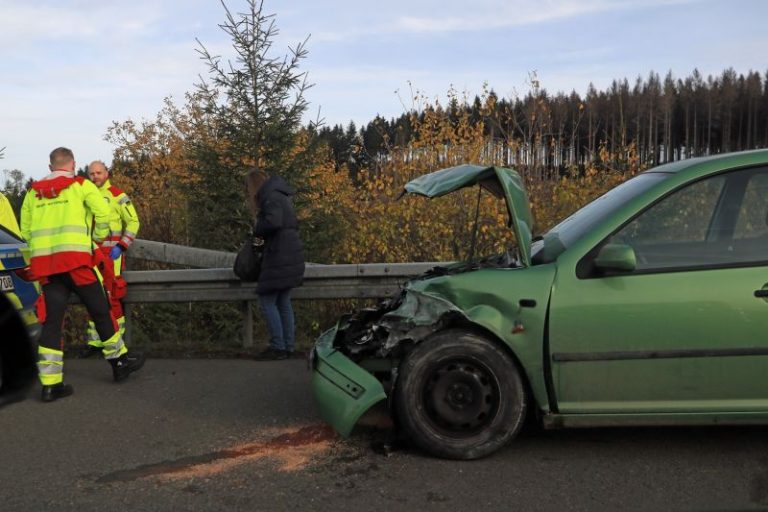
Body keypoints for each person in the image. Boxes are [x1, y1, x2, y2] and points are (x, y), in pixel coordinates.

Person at [20, 147, 145, 402]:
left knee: (52, 322)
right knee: (100, 310)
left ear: (50, 166)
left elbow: (26, 231)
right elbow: (103, 214)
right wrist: (96, 239)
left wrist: (42, 254)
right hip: (78, 263)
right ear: (73, 164)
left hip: (48, 268)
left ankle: (51, 384)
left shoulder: (33, 193)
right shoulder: (80, 186)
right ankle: (119, 363)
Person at [245, 168, 305, 360]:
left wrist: (257, 229)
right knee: (283, 301)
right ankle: (288, 346)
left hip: (279, 255)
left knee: (267, 300)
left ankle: (278, 346)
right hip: (291, 254)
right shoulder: (281, 195)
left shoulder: (269, 197)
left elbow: (273, 222)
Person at [83, 160, 140, 351]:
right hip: (90, 254)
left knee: (112, 296)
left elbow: (133, 222)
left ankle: (118, 341)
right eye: (92, 173)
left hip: (112, 256)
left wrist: (122, 246)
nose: (95, 176)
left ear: (106, 173)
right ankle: (94, 342)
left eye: (99, 172)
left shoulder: (117, 195)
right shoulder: (85, 196)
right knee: (93, 297)